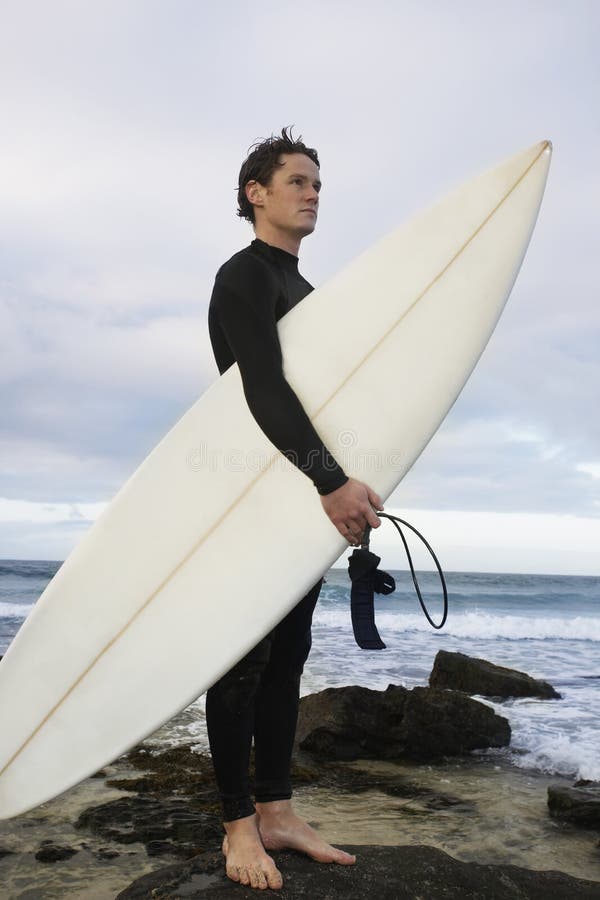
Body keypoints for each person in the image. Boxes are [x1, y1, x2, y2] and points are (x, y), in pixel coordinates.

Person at [206, 127, 383, 891]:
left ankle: (278, 810)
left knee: (288, 657)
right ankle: (237, 825)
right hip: (258, 490)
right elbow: (263, 388)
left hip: (300, 494)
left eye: (317, 184)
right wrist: (329, 480)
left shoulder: (306, 291)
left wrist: (351, 476)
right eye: (298, 181)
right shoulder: (244, 276)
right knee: (243, 661)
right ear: (257, 193)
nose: (313, 194)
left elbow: (325, 399)